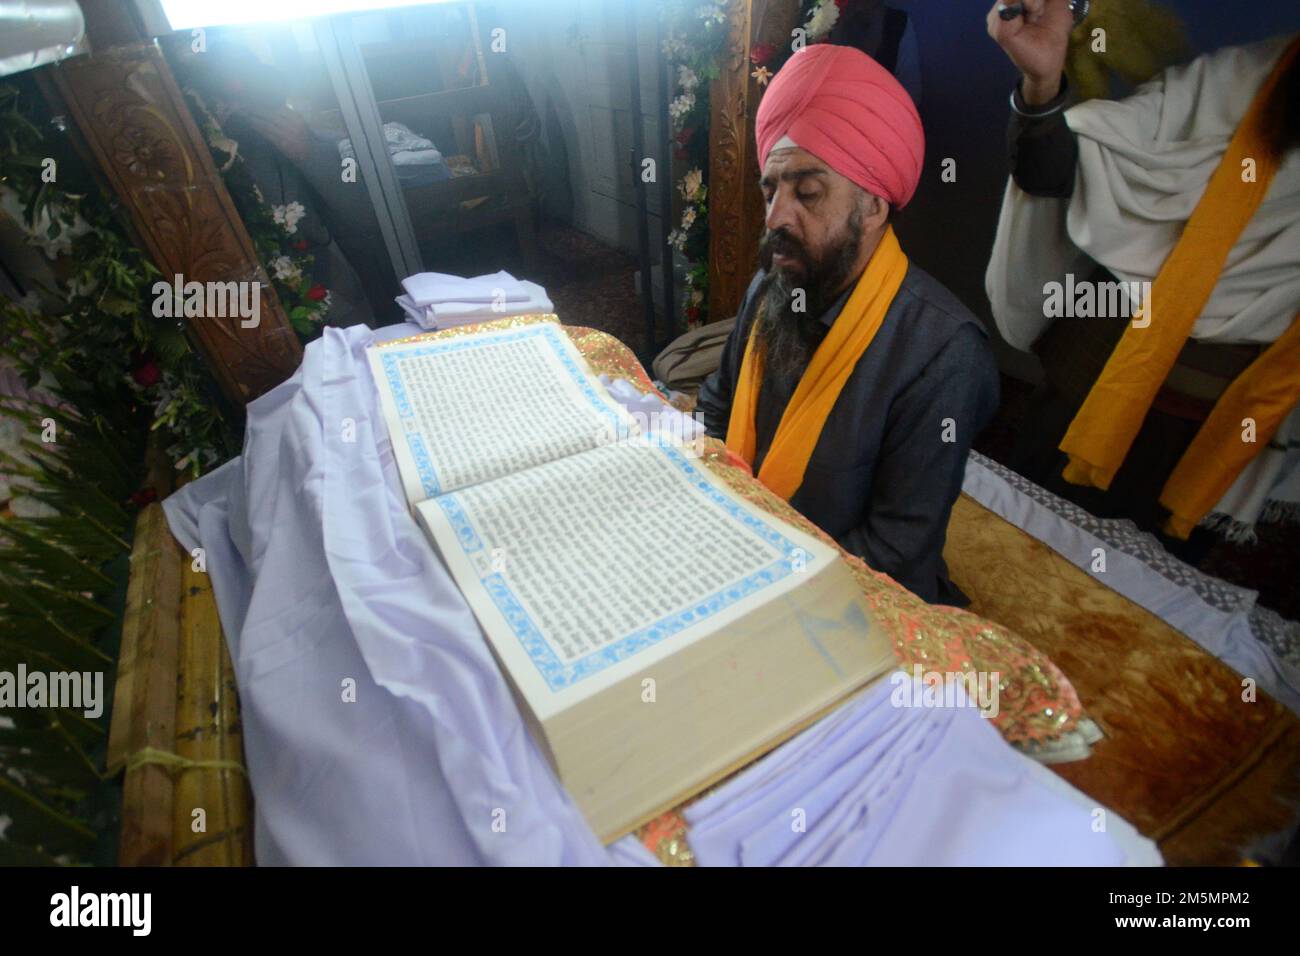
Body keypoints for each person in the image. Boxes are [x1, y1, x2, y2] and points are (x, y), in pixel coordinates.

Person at [985, 0, 1300, 548]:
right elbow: (1052, 168)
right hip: (1092, 386)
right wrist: (1041, 82)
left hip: (1211, 438)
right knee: (1014, 553)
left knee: (1130, 614)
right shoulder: (1230, 85)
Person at [697, 44, 1000, 606]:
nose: (776, 217)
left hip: (847, 600)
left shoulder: (945, 355)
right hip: (736, 550)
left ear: (874, 206)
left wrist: (755, 586)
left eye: (807, 193)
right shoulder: (773, 286)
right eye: (771, 191)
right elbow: (716, 407)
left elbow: (895, 553)